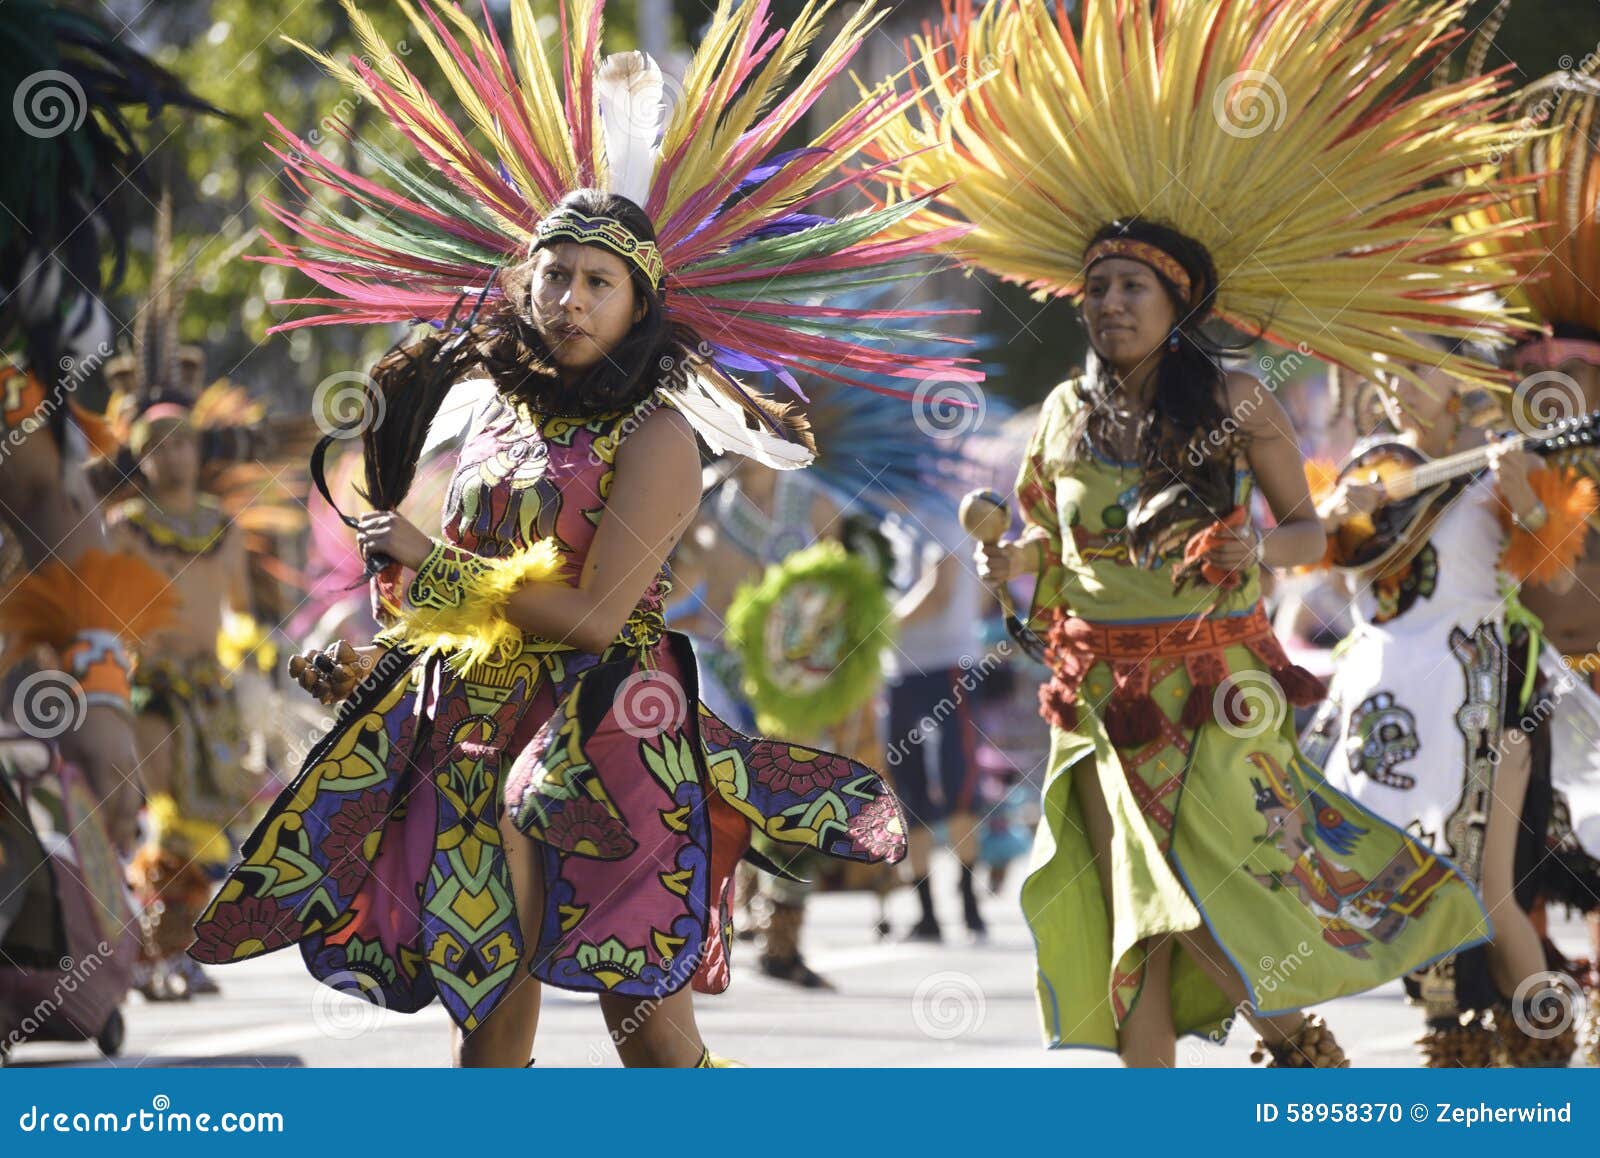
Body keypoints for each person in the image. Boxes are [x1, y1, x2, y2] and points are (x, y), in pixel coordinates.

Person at [188, 0, 976, 1066]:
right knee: (489, 1013)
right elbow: (454, 600)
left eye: (597, 282)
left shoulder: (656, 438)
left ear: (638, 306)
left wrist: (434, 562)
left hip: (605, 735)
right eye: (553, 274)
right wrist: (375, 661)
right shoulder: (500, 419)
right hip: (470, 729)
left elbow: (601, 619)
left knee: (646, 1031)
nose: (567, 297)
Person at [887, 0, 1532, 1065]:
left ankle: (1297, 1049)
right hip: (1094, 698)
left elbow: (1311, 534)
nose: (1105, 304)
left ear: (1172, 304)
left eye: (1127, 286)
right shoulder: (1058, 413)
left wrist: (1250, 553)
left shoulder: (1237, 399)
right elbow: (1043, 551)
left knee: (1215, 903)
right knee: (1130, 921)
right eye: (1092, 288)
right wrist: (1008, 563)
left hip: (1212, 691)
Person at [1306, 337, 1595, 1066]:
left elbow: (1556, 581)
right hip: (1380, 712)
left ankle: (1545, 1055)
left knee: (1490, 895)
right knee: (1402, 892)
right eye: (1389, 369)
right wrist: (1335, 516)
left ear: (1456, 383)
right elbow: (1322, 570)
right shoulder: (1367, 469)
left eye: (1417, 369)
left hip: (1480, 708)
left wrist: (1523, 494)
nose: (1399, 384)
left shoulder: (1498, 461)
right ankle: (1453, 1048)